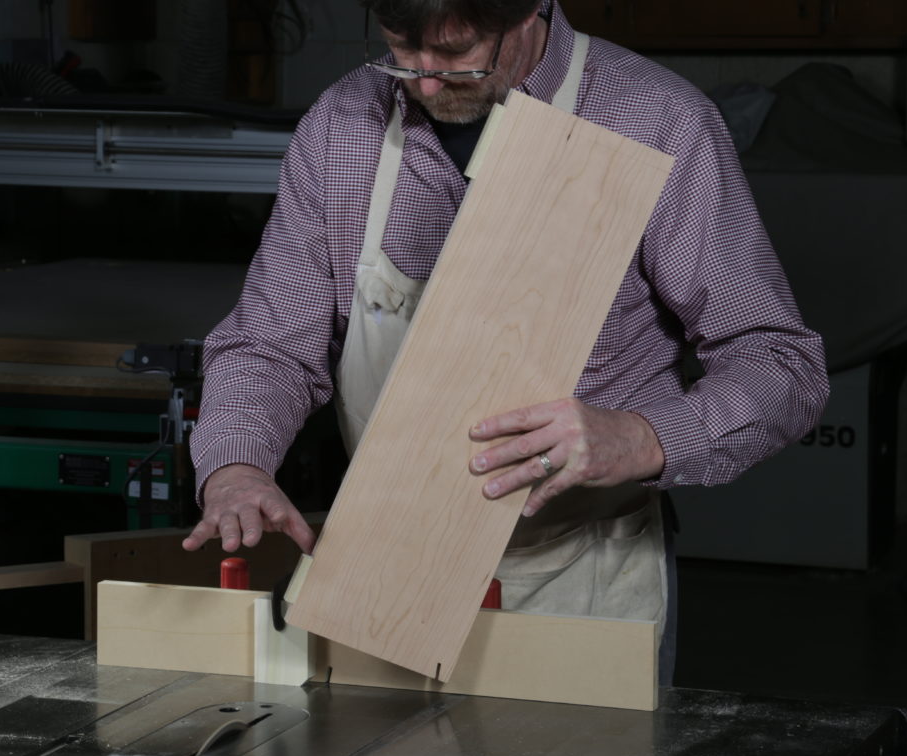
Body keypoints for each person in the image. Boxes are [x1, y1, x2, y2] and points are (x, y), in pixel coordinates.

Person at [183, 0, 829, 684]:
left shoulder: (656, 121)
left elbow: (780, 363)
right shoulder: (345, 126)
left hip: (576, 577)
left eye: (459, 56)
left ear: (529, 13)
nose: (426, 84)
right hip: (382, 566)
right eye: (402, 51)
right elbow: (270, 345)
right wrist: (237, 466)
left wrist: (644, 438)